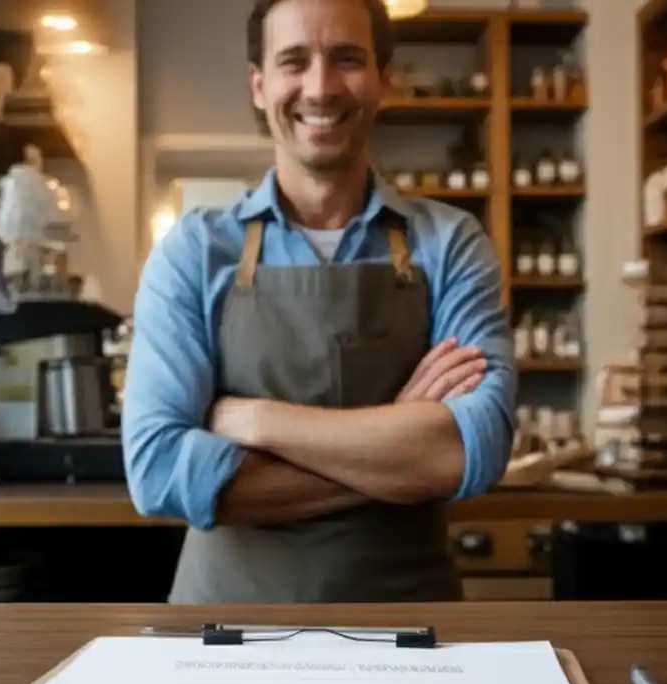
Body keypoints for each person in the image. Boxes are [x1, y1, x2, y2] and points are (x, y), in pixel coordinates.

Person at [121, 0, 516, 604]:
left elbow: (470, 451)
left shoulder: (450, 244)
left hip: (410, 630)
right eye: (293, 61)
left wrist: (254, 420)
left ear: (386, 78)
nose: (321, 87)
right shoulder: (195, 252)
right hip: (226, 633)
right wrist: (399, 450)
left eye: (348, 59)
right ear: (260, 85)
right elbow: (157, 473)